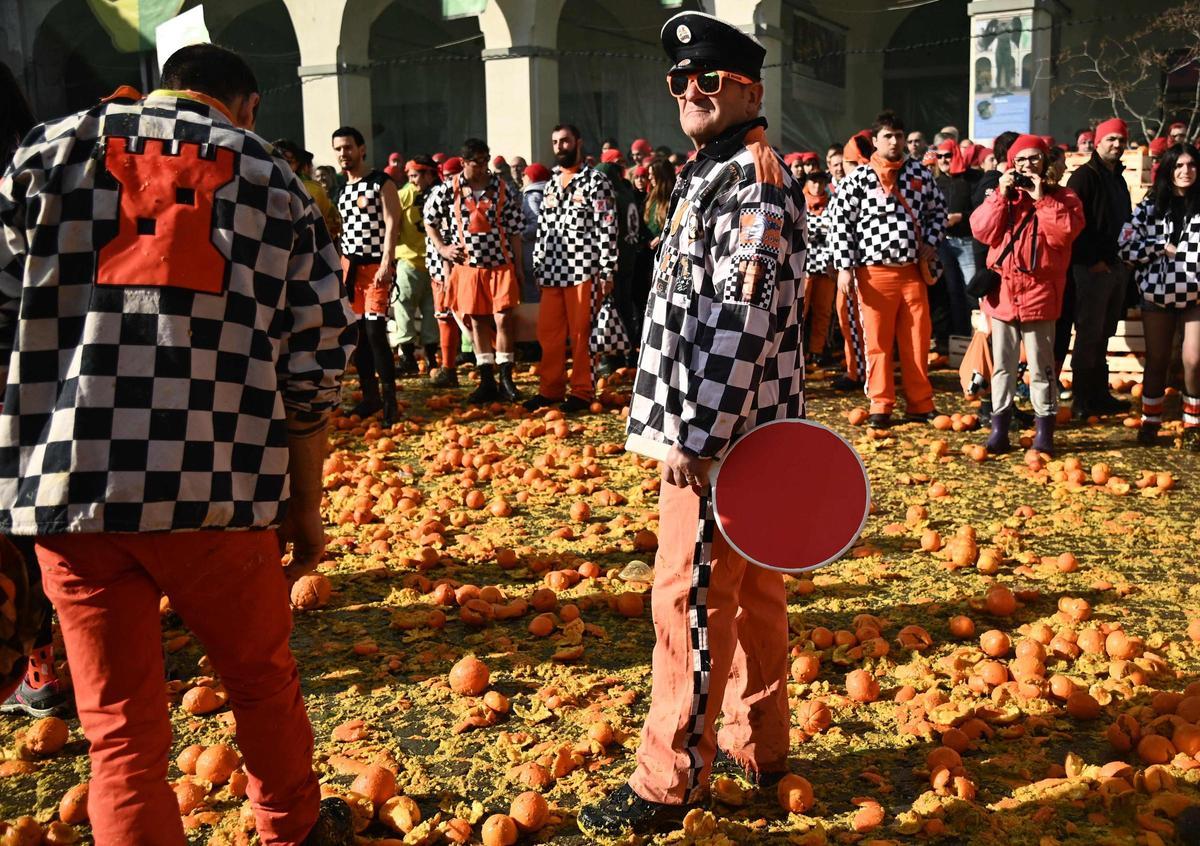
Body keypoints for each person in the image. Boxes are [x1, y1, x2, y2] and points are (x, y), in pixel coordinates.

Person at [0, 43, 358, 846]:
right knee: (261, 684)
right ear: (247, 105)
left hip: (69, 489)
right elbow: (314, 364)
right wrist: (304, 506)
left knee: (120, 733)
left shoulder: (45, 152)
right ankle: (292, 829)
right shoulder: (273, 179)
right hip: (221, 487)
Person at [577, 12, 806, 838]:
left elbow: (739, 320)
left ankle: (669, 780)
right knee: (748, 596)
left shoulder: (747, 180)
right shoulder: (715, 173)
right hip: (738, 429)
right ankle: (755, 745)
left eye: (707, 77)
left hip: (723, 436)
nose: (690, 92)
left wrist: (696, 434)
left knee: (690, 600)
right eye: (679, 80)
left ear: (749, 85)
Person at [0, 59, 69, 720]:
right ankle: (52, 653)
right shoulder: (45, 177)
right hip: (44, 391)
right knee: (32, 528)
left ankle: (37, 661)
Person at [829, 110, 946, 428]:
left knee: (917, 340)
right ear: (876, 141)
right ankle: (881, 404)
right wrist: (844, 267)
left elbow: (939, 211)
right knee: (877, 342)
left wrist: (932, 240)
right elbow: (840, 223)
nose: (894, 142)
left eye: (899, 135)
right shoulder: (858, 179)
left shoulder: (920, 174)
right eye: (888, 136)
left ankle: (921, 404)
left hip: (911, 272)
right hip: (873, 274)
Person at [970, 135, 1084, 456]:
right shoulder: (1005, 197)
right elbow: (980, 230)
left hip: (1040, 296)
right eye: (1022, 160)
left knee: (1041, 366)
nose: (1028, 165)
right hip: (1004, 296)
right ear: (1012, 164)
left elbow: (1064, 235)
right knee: (1003, 366)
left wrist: (1042, 200)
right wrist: (1000, 198)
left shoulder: (1064, 197)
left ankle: (1043, 431)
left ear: (1045, 162)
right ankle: (999, 428)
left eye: (1035, 159)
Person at [424, 137, 526, 403]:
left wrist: (519, 265)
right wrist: (443, 248)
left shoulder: (500, 187)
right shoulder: (449, 189)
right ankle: (486, 380)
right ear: (463, 162)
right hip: (469, 266)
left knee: (503, 318)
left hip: (500, 263)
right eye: (476, 162)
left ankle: (506, 377)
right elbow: (429, 221)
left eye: (485, 161)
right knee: (478, 321)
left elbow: (514, 229)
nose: (482, 167)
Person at [524, 125, 618, 413]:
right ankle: (549, 390)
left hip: (584, 271)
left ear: (578, 142)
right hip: (551, 272)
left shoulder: (596, 181)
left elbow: (607, 226)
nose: (559, 146)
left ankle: (582, 391)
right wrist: (538, 266)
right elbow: (543, 229)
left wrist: (608, 269)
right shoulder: (551, 183)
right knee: (548, 335)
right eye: (555, 142)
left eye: (564, 141)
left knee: (582, 335)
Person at [1119, 143, 1200, 450]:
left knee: (1193, 359)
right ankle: (1151, 422)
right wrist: (1157, 248)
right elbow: (1124, 246)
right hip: (1157, 294)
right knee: (1157, 360)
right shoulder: (1150, 207)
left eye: (1191, 165)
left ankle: (1193, 424)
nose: (1185, 171)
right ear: (1167, 170)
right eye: (1178, 166)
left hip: (1196, 294)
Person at [1066, 117, 1134, 418]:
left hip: (1116, 265)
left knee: (1105, 331)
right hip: (1090, 268)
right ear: (1098, 142)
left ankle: (1099, 393)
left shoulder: (1118, 177)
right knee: (1089, 333)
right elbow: (1072, 225)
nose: (1117, 145)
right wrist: (1093, 261)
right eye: (1111, 140)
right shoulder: (1083, 177)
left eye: (1121, 141)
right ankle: (1082, 399)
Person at [333, 125, 401, 425]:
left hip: (377, 268)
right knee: (357, 336)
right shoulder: (343, 189)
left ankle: (390, 401)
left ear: (361, 149)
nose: (343, 154)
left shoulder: (380, 182)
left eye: (348, 147)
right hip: (350, 271)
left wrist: (388, 261)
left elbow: (392, 222)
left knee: (375, 332)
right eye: (338, 149)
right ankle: (369, 397)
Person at [390, 156, 441, 375]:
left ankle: (427, 358)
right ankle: (411, 357)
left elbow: (392, 226)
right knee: (408, 309)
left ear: (429, 174)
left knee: (429, 312)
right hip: (413, 261)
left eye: (415, 175)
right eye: (410, 176)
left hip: (428, 262)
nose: (412, 180)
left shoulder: (402, 195)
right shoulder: (440, 193)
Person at [595, 159, 643, 371]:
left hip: (614, 260)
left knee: (612, 310)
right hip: (629, 257)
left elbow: (607, 229)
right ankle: (629, 352)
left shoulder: (610, 196)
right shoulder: (627, 192)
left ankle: (613, 356)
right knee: (625, 306)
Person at [934, 139, 979, 340]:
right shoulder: (936, 182)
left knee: (972, 291)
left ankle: (977, 337)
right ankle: (961, 337)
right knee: (953, 292)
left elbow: (981, 211)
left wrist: (961, 217)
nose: (943, 160)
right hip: (944, 242)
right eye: (940, 156)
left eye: (948, 155)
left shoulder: (971, 179)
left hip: (966, 240)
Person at [801, 160, 836, 364]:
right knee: (801, 311)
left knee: (823, 312)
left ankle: (817, 350)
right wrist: (822, 231)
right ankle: (797, 349)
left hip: (826, 266)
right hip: (804, 267)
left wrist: (817, 231)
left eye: (821, 182)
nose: (817, 186)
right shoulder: (799, 200)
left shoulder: (833, 202)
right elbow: (804, 232)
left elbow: (834, 231)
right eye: (813, 181)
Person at [520, 162, 550, 304]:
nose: (522, 178)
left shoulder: (532, 196)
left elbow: (537, 222)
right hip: (549, 252)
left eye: (524, 175)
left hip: (532, 252)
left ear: (531, 177)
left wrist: (520, 235)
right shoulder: (551, 192)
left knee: (533, 295)